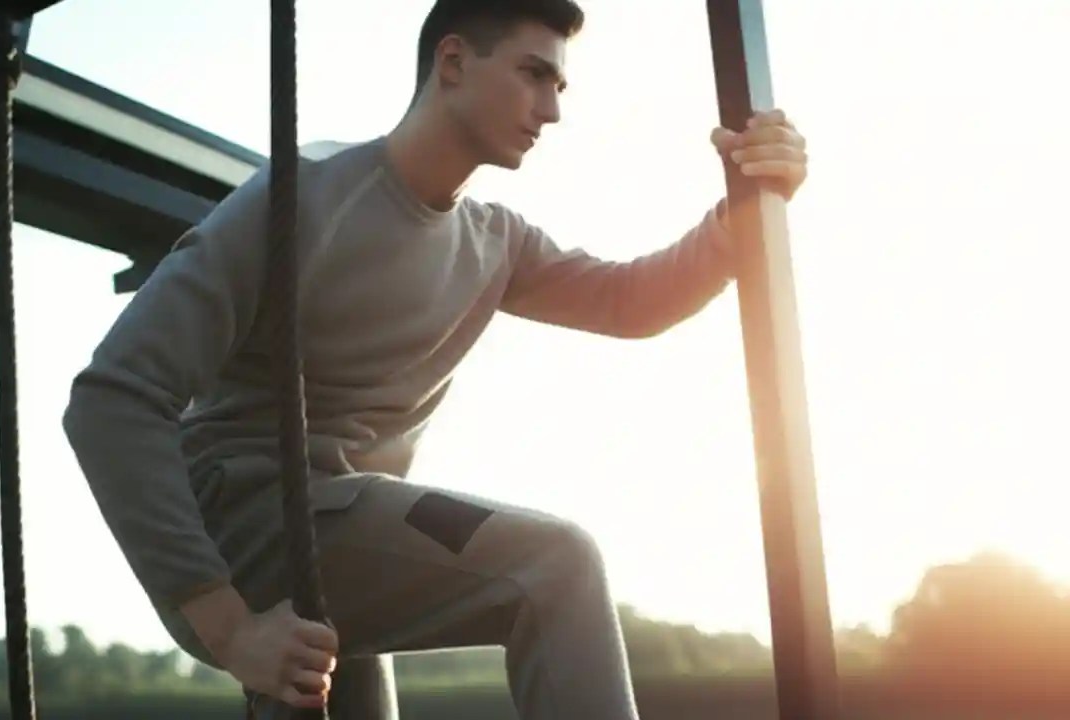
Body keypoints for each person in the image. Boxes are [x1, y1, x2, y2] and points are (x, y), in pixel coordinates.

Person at [61, 0, 809, 717]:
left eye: (559, 84)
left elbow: (631, 302)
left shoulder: (496, 241)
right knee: (555, 565)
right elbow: (113, 396)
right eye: (533, 74)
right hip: (245, 530)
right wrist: (227, 627)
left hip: (351, 530)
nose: (552, 109)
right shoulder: (304, 197)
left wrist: (742, 212)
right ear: (452, 61)